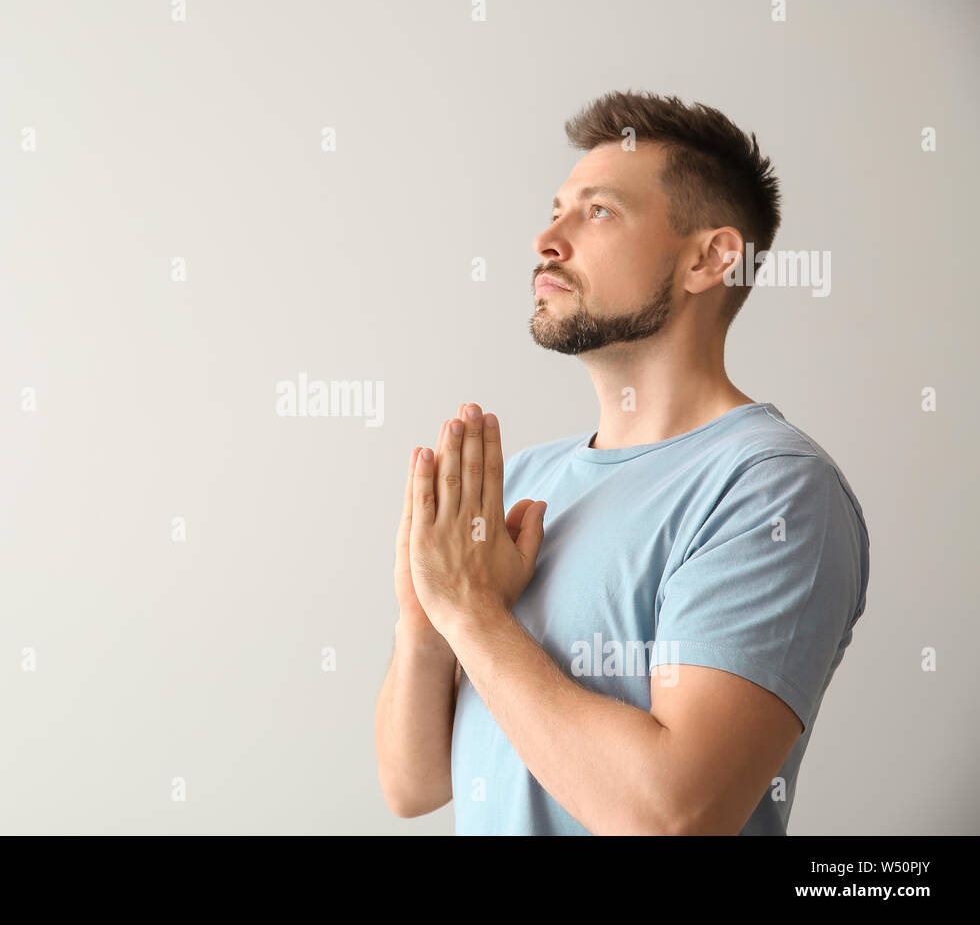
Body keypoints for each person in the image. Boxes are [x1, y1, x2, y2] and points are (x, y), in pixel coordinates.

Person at [373, 90, 870, 835]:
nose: (547, 238)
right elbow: (413, 786)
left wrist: (473, 614)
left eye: (598, 212)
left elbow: (674, 815)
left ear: (710, 258)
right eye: (556, 208)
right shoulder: (525, 483)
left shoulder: (772, 489)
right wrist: (427, 614)